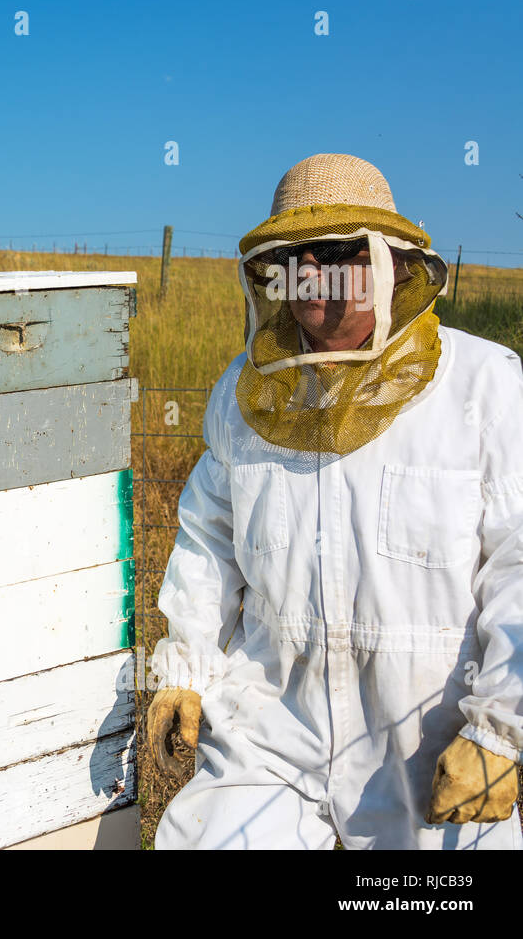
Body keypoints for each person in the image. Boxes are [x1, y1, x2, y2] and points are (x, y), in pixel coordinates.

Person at [147, 153, 523, 849]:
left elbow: (519, 568)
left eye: (342, 254)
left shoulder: (485, 387)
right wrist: (187, 666)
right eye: (296, 258)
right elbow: (207, 538)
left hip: (427, 736)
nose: (314, 275)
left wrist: (503, 726)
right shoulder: (246, 390)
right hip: (271, 730)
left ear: (396, 265)